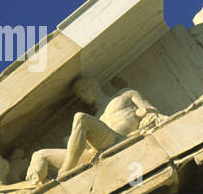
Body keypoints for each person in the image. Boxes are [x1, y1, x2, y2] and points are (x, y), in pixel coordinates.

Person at [27, 78, 163, 183]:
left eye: (83, 90)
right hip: (95, 153)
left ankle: (65, 171)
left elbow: (149, 108)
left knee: (80, 118)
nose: (83, 96)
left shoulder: (125, 95)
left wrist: (144, 114)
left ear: (94, 85)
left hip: (117, 139)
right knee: (39, 155)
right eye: (80, 94)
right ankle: (34, 188)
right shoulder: (98, 117)